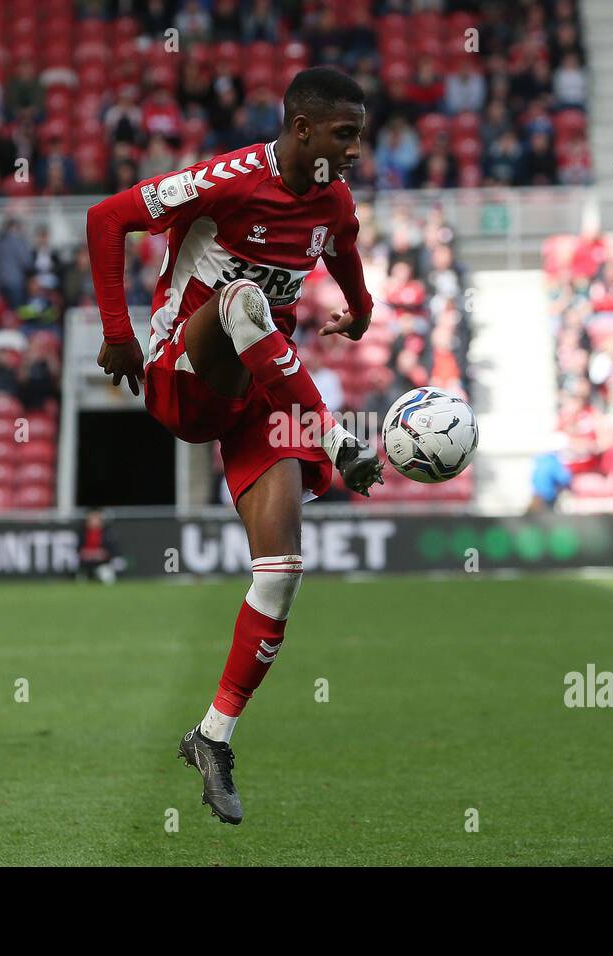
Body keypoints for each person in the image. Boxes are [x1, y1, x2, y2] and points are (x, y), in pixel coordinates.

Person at [87, 66, 382, 825]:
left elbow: (341, 242)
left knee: (282, 572)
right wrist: (119, 335)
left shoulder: (334, 201)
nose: (355, 148)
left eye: (360, 133)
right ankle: (340, 439)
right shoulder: (227, 181)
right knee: (244, 299)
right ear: (302, 127)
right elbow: (106, 216)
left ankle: (212, 736)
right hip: (182, 370)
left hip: (259, 389)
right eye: (343, 133)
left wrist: (361, 305)